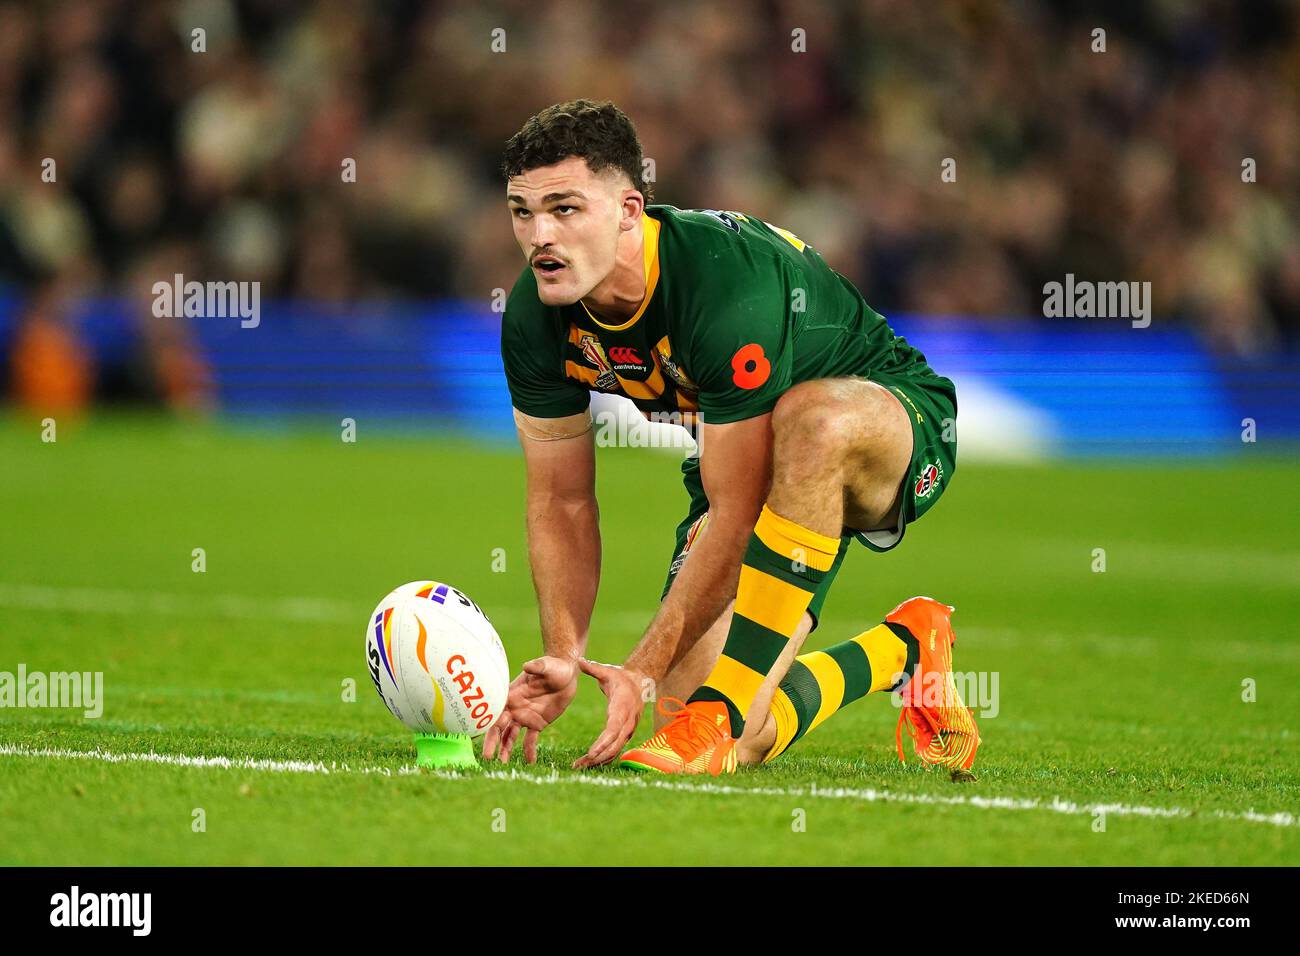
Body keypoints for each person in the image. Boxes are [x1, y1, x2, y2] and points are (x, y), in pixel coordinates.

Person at [486, 99, 978, 778]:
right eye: (522, 212)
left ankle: (719, 712)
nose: (540, 235)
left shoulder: (719, 285)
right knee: (697, 729)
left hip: (890, 422)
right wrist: (566, 658)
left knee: (813, 420)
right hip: (754, 462)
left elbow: (738, 507)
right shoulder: (537, 320)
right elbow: (560, 502)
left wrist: (640, 666)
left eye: (565, 209)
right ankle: (903, 649)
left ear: (629, 211)